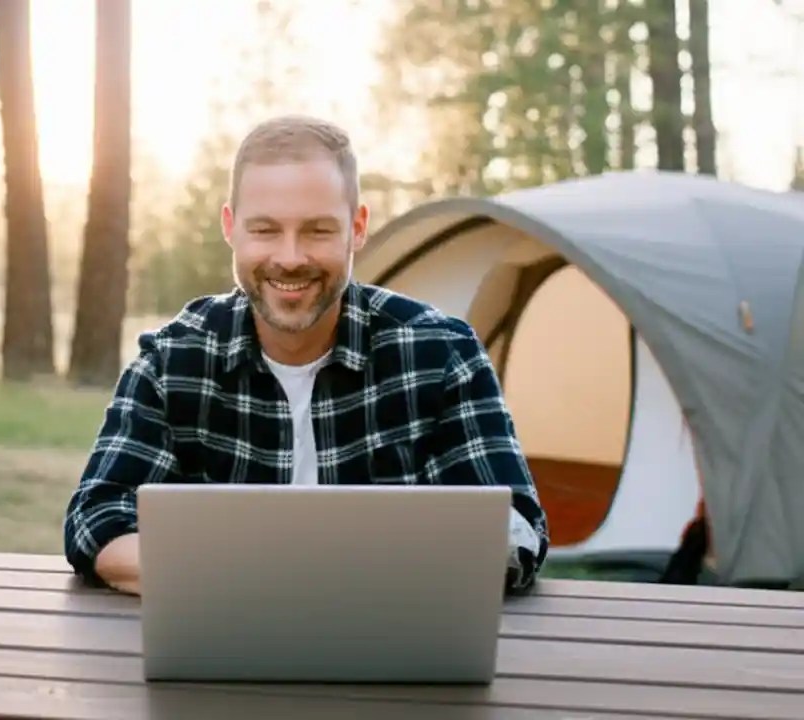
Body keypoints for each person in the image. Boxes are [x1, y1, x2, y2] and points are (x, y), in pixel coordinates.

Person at [62, 114, 547, 597]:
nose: (290, 258)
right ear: (231, 228)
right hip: (225, 647)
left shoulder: (442, 355)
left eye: (317, 231)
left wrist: (337, 579)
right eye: (266, 230)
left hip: (390, 652)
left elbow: (518, 531)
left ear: (357, 228)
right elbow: (97, 519)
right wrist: (256, 579)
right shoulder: (172, 362)